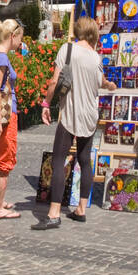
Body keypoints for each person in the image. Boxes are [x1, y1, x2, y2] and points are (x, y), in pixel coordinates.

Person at [33, 16, 119, 229]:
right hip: (90, 114)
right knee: (85, 160)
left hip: (71, 113)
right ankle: (81, 209)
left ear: (77, 31)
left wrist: (46, 103)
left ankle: (54, 213)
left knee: (58, 160)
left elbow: (54, 81)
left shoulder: (67, 49)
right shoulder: (96, 58)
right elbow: (102, 82)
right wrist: (109, 85)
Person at [0, 18, 25, 220]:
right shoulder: (1, 58)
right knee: (5, 160)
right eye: (20, 38)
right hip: (4, 116)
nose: (20, 43)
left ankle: (0, 202)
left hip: (1, 115)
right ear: (12, 36)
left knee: (5, 157)